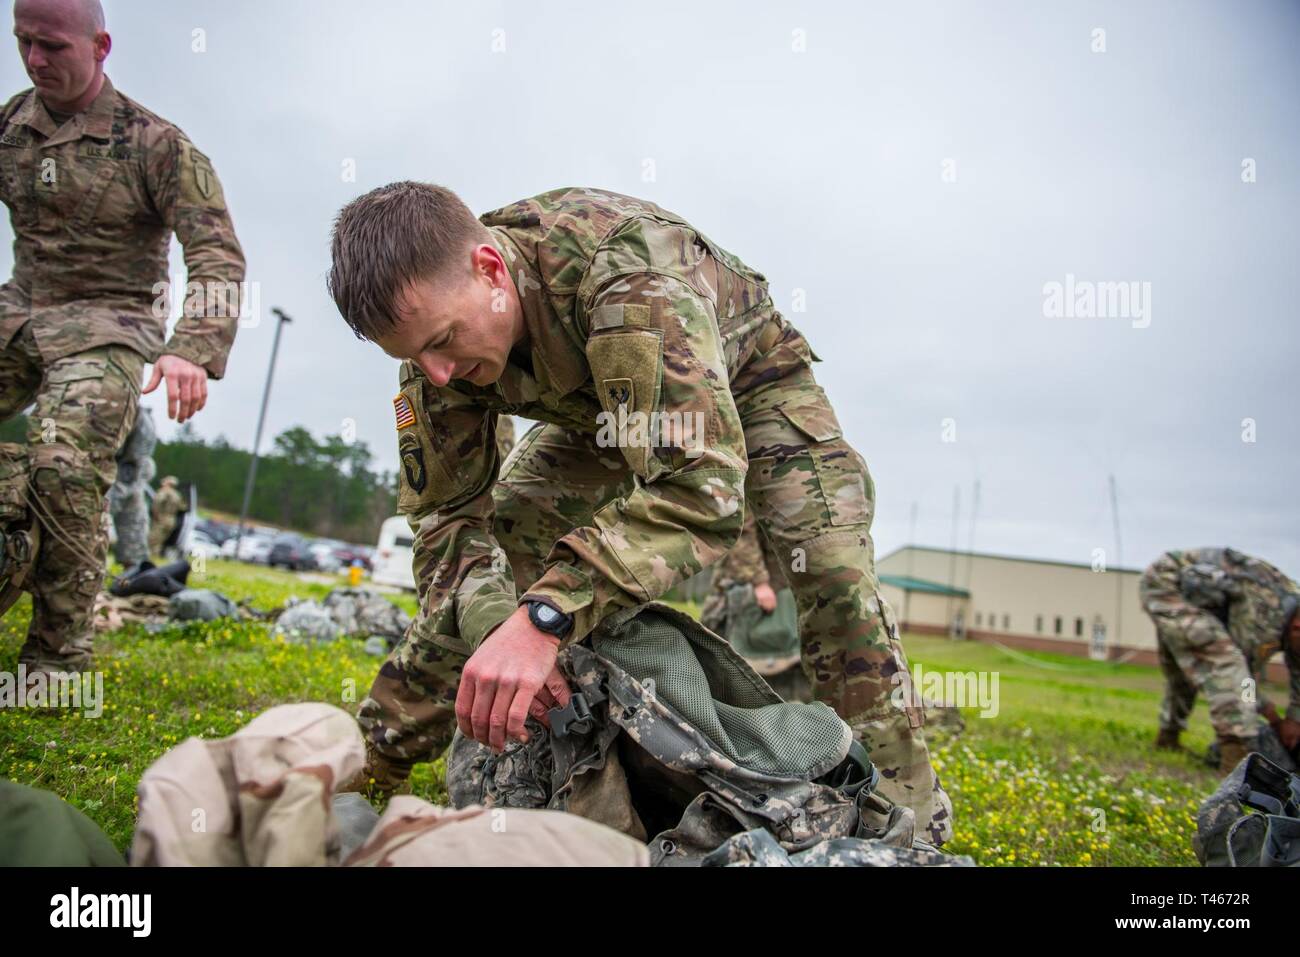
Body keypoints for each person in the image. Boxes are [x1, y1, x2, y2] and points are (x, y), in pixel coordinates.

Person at [327, 183, 951, 843]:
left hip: (752, 388)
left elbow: (700, 489)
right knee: (504, 543)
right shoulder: (435, 360)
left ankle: (903, 821)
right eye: (415, 356)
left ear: (488, 270)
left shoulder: (628, 281)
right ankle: (373, 761)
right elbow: (450, 524)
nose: (439, 373)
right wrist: (495, 628)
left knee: (829, 569)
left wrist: (545, 616)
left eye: (445, 340)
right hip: (600, 413)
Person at [0, 0, 244, 681]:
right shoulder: (11, 127)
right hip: (20, 310)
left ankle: (55, 661)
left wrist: (190, 346)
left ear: (100, 46)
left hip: (111, 325)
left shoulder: (155, 144)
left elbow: (218, 254)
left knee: (64, 465)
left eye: (51, 45)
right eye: (23, 42)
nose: (35, 59)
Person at [1140, 547, 1300, 773]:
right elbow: (1240, 679)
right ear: (1297, 627)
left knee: (1183, 671)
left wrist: (1294, 719)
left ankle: (1167, 738)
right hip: (1166, 583)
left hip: (1201, 597)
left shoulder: (1292, 613)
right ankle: (1233, 757)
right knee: (1224, 663)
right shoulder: (1263, 616)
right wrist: (1273, 717)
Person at [147, 475, 182, 556]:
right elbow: (181, 507)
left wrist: (155, 514)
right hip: (172, 520)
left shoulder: (164, 492)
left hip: (162, 518)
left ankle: (151, 556)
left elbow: (157, 503)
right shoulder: (177, 495)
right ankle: (156, 555)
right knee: (161, 541)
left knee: (153, 539)